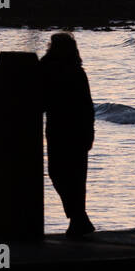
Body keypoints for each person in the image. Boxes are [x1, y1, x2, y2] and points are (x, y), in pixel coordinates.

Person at [39, 32, 95, 238]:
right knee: (74, 177)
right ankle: (79, 218)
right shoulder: (75, 70)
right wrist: (90, 131)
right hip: (75, 130)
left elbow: (41, 98)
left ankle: (78, 219)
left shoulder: (50, 68)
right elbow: (88, 106)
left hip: (61, 129)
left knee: (60, 173)